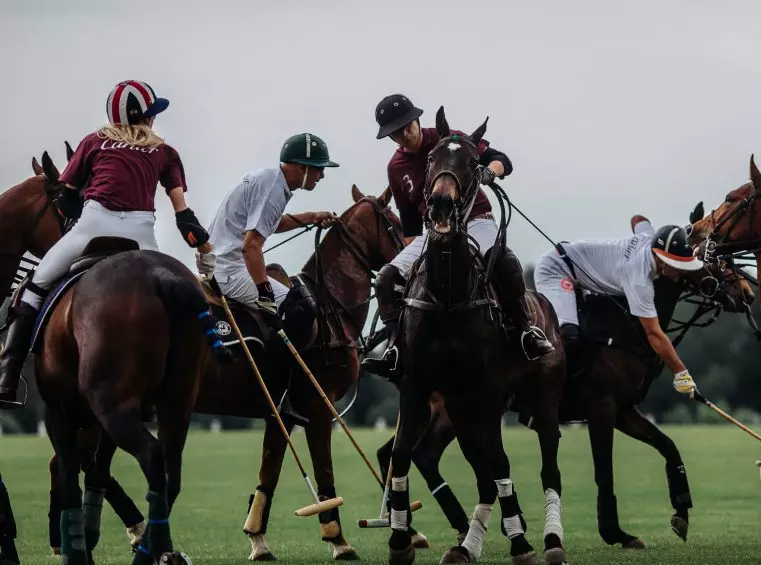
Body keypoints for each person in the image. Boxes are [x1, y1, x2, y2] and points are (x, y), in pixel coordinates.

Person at [0, 80, 210, 409]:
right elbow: (185, 218)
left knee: (33, 285)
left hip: (91, 226)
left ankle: (8, 378)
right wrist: (200, 244)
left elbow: (68, 200)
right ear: (145, 118)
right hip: (142, 236)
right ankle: (172, 380)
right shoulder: (166, 152)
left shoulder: (93, 142)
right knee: (170, 294)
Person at [362, 94, 553, 380]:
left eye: (407, 126)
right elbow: (411, 224)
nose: (404, 135)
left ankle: (525, 329)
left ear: (417, 119)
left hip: (476, 221)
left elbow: (502, 160)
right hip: (434, 230)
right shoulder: (396, 168)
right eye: (395, 133)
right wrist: (408, 267)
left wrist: (490, 172)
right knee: (387, 278)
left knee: (503, 261)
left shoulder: (452, 141)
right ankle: (395, 348)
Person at [200, 133, 341, 425]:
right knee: (299, 309)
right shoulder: (273, 187)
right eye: (318, 168)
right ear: (301, 168)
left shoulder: (271, 181)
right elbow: (253, 245)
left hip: (221, 261)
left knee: (293, 304)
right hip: (229, 268)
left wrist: (313, 216)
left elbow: (272, 223)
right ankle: (280, 393)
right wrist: (265, 293)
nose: (322, 175)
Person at [532, 224, 701, 397]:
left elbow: (639, 220)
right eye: (679, 266)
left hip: (581, 272)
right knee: (570, 336)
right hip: (557, 269)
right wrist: (680, 372)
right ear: (662, 260)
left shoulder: (649, 237)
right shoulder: (639, 279)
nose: (682, 272)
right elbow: (654, 334)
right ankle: (543, 396)